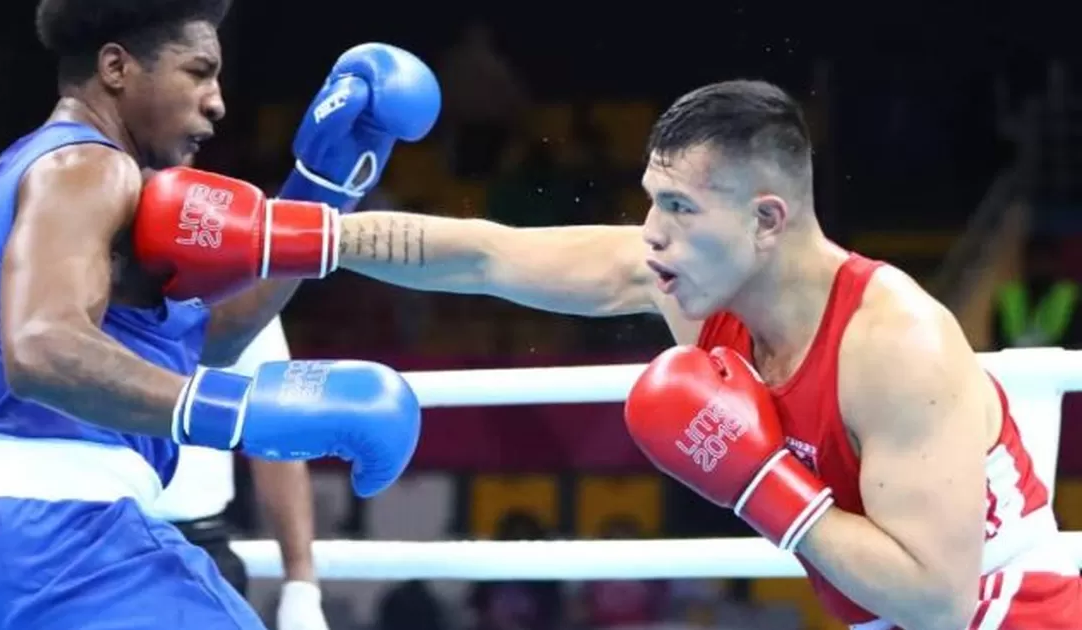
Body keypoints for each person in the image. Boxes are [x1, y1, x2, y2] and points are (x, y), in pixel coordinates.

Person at [328, 80, 1082, 628]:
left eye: (681, 208)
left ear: (766, 221)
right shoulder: (692, 283)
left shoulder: (896, 345)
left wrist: (759, 481)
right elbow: (486, 258)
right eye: (655, 198)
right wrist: (302, 235)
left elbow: (937, 603)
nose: (652, 230)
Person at [0, 0, 438, 627]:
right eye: (198, 71)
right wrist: (235, 414)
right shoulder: (88, 167)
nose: (217, 102)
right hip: (59, 535)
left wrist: (323, 185)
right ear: (116, 67)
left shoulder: (26, 169)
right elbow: (42, 346)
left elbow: (216, 332)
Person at [154, 316, 328, 629]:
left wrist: (301, 585)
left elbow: (275, 433)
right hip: (80, 531)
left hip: (196, 543)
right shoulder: (68, 278)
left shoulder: (239, 291)